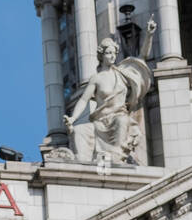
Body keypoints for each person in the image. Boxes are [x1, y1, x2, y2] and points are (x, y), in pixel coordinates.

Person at [64, 18, 156, 164]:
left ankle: (116, 159)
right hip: (100, 123)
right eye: (108, 53)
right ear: (102, 56)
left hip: (117, 119)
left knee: (121, 120)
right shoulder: (96, 78)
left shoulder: (123, 74)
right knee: (80, 131)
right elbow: (83, 100)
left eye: (114, 53)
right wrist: (72, 119)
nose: (112, 56)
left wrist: (149, 35)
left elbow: (142, 58)